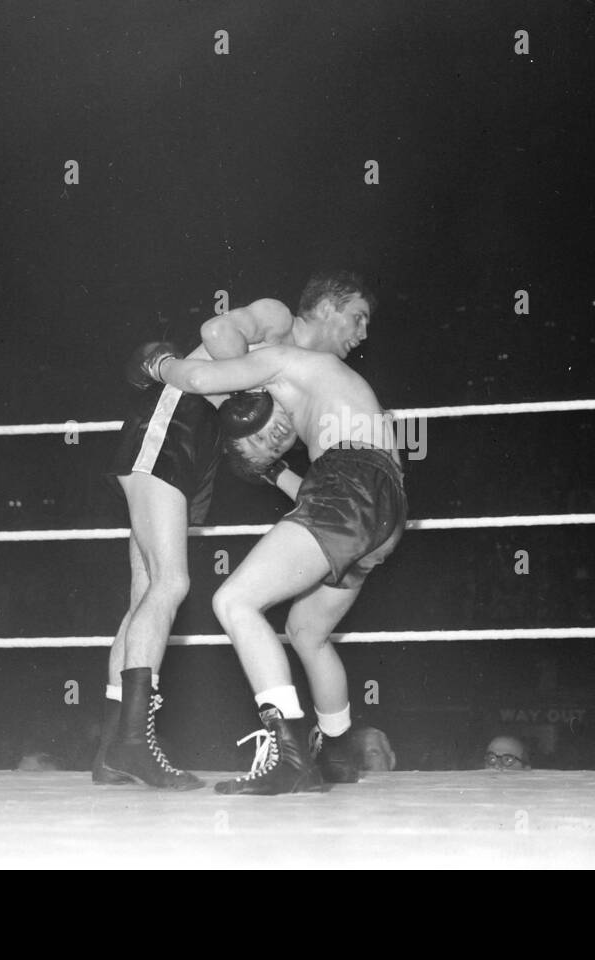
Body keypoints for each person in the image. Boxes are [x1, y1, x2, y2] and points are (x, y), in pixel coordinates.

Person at [96, 271, 375, 789]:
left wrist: (260, 446)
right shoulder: (277, 319)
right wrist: (238, 406)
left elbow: (265, 451)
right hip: (175, 421)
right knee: (170, 584)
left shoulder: (303, 377)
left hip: (197, 451)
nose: (361, 334)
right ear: (327, 307)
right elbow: (217, 331)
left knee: (145, 595)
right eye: (356, 317)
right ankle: (131, 745)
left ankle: (112, 748)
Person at [155, 340, 404, 795]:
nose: (271, 440)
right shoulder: (323, 417)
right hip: (381, 511)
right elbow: (331, 494)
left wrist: (159, 364)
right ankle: (335, 755)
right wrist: (273, 472)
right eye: (264, 447)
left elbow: (198, 376)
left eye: (261, 435)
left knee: (234, 601)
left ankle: (290, 758)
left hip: (352, 489)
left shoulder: (280, 363)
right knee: (308, 632)